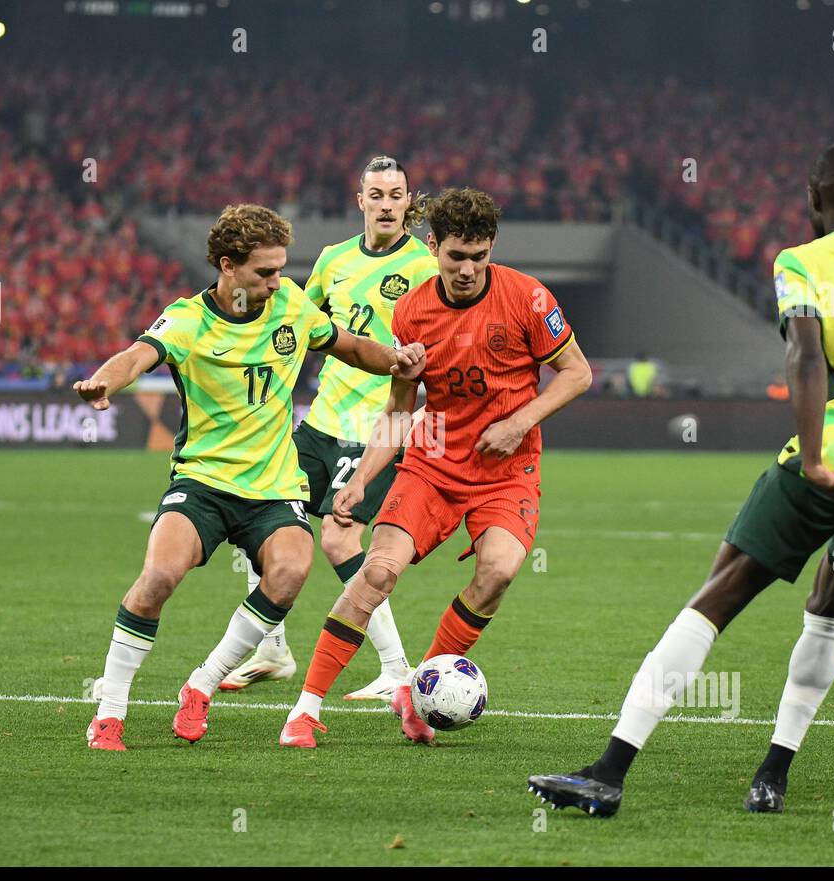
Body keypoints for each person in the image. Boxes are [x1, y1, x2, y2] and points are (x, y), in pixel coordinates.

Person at [528, 143, 834, 817]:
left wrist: (817, 459)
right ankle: (772, 775)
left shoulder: (802, 260)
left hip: (829, 462)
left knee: (720, 590)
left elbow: (803, 352)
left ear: (814, 203)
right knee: (829, 612)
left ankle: (610, 771)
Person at [75, 204, 425, 750]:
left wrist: (395, 359)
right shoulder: (189, 319)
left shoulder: (291, 305)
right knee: (160, 577)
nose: (277, 281)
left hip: (274, 486)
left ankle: (202, 684)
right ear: (227, 266)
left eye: (281, 268)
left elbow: (350, 347)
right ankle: (109, 711)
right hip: (203, 482)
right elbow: (138, 355)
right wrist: (104, 381)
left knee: (290, 571)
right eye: (265, 271)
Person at [277, 186, 593, 748]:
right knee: (376, 573)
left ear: (491, 248)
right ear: (434, 246)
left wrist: (520, 422)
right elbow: (399, 412)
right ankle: (305, 709)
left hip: (506, 471)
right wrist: (360, 478)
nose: (468, 268)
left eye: (479, 256)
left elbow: (576, 373)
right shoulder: (413, 310)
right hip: (433, 466)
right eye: (456, 256)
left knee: (498, 571)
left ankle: (417, 688)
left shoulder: (529, 298)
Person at [219, 157, 438, 701]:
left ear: (409, 203)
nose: (387, 203)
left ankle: (396, 668)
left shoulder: (425, 265)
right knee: (259, 515)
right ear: (359, 199)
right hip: (319, 422)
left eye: (397, 194)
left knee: (340, 537)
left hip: (375, 428)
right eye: (377, 193)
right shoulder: (334, 259)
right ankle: (272, 649)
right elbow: (296, 314)